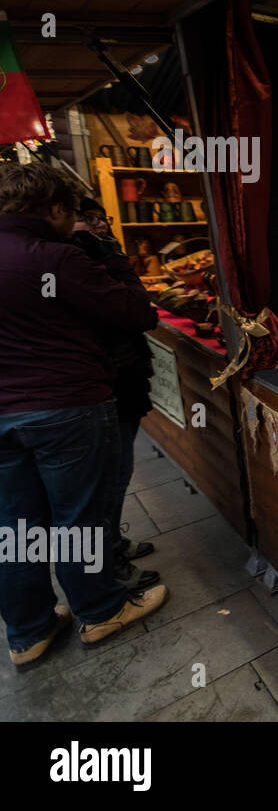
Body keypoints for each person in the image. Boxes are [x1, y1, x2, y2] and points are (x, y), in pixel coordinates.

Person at [0, 162, 167, 668]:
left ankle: (28, 632)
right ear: (53, 208)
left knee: (15, 523)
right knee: (79, 519)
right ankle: (100, 610)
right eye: (70, 211)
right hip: (65, 406)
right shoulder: (55, 258)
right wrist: (110, 255)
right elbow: (140, 314)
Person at [71, 197, 160, 591]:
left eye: (99, 218)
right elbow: (139, 311)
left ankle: (112, 547)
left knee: (115, 473)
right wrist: (111, 256)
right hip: (99, 384)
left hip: (113, 379)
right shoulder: (75, 261)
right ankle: (108, 565)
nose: (97, 226)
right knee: (108, 476)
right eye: (84, 220)